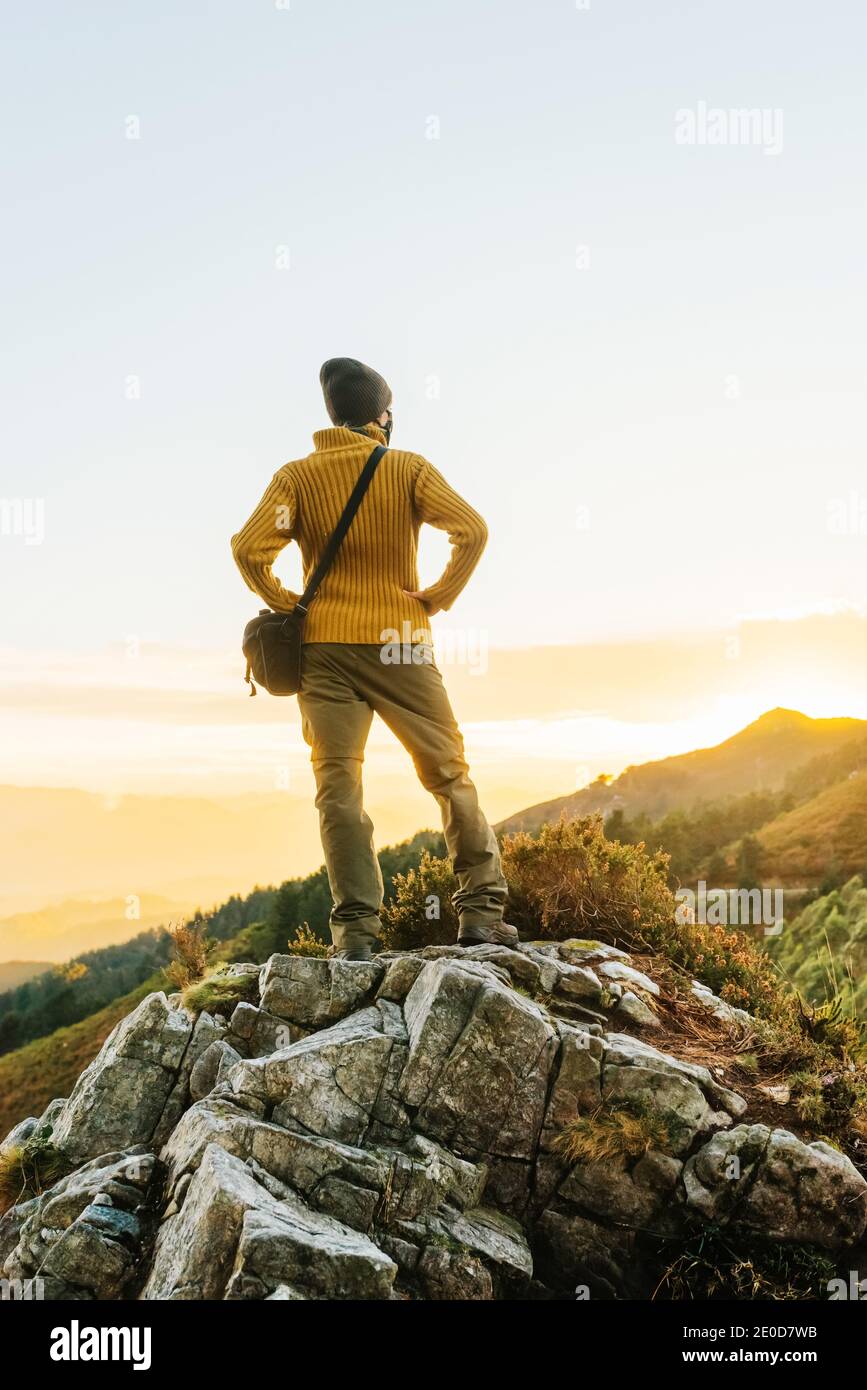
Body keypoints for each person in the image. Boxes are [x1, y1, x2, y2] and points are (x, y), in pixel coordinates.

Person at [231, 357, 515, 960]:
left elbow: (248, 549)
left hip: (323, 650)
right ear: (382, 415)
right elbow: (472, 529)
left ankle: (357, 935)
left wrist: (290, 602)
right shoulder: (406, 467)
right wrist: (437, 596)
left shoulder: (296, 478)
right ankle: (481, 916)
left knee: (339, 790)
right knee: (447, 774)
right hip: (400, 642)